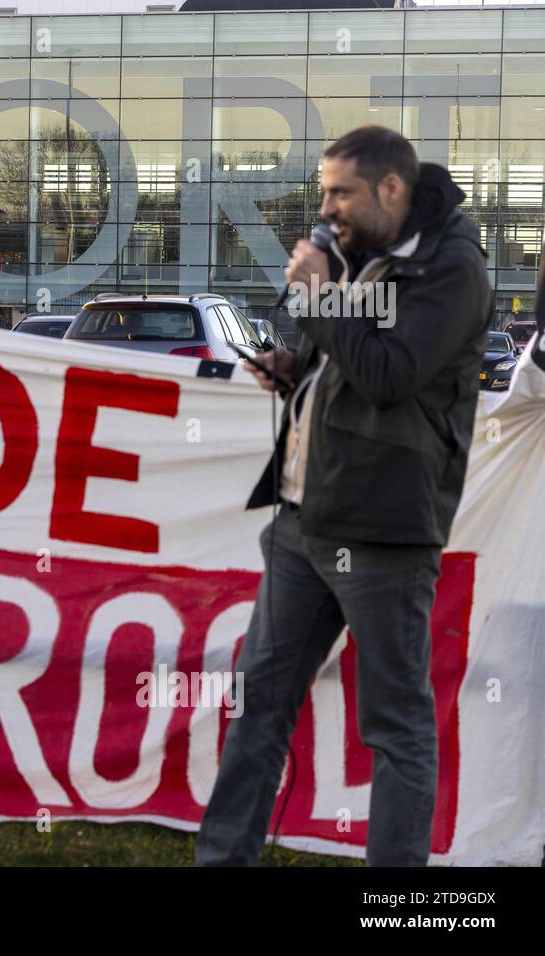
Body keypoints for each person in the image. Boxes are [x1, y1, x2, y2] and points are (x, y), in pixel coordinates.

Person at [195, 126, 492, 866]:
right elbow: (348, 365)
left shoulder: (453, 267)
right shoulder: (362, 247)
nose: (326, 207)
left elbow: (390, 376)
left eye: (340, 192)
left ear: (391, 188)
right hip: (307, 518)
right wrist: (295, 365)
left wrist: (323, 293)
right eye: (324, 191)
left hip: (385, 530)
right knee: (259, 702)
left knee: (394, 728)